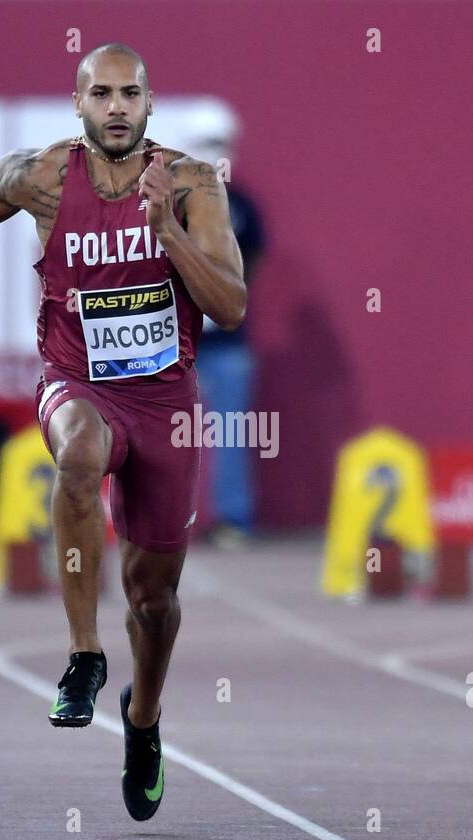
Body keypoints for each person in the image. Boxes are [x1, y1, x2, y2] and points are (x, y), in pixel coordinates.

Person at [0, 43, 246, 821]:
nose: (116, 107)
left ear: (150, 105)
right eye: (101, 94)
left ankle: (142, 720)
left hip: (165, 403)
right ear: (78, 105)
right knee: (76, 458)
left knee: (155, 600)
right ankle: (83, 657)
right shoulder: (42, 177)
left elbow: (233, 306)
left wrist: (168, 235)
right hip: (78, 384)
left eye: (130, 94)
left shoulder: (192, 184)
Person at [183, 107, 267, 544]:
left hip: (228, 340)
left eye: (221, 145)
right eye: (207, 145)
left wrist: (224, 299)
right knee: (155, 431)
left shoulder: (244, 209)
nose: (215, 155)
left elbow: (250, 266)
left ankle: (232, 519)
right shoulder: (165, 201)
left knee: (232, 431)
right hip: (173, 338)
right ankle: (159, 516)